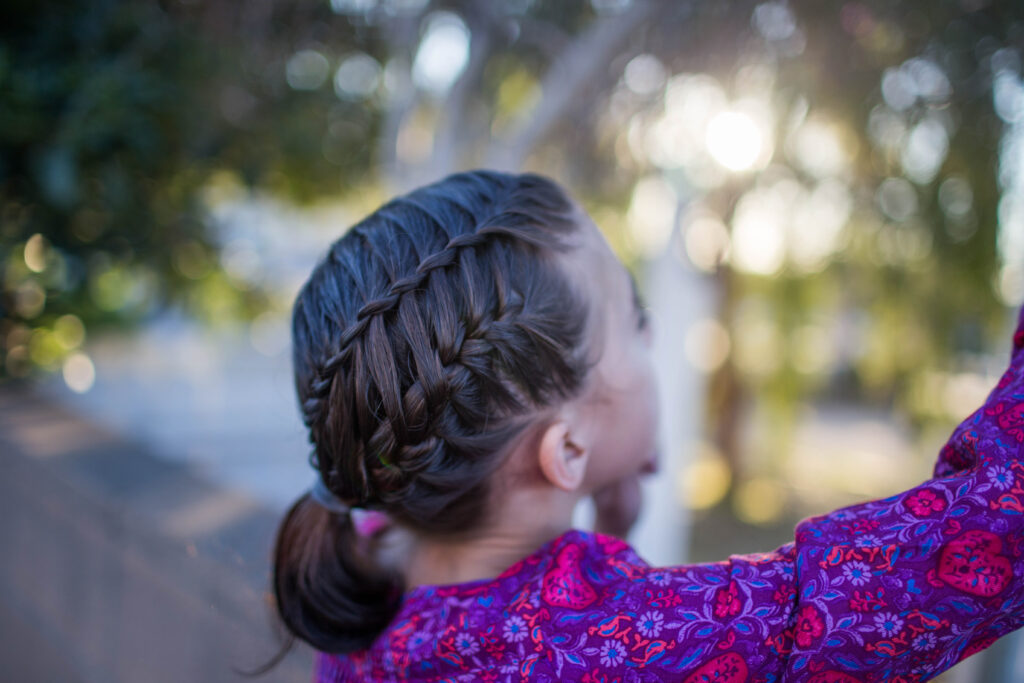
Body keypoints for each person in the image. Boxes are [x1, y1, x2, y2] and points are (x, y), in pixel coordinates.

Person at [269, 170, 1024, 682]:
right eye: (632, 318)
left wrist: (597, 501)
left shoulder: (364, 561)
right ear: (564, 446)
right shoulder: (636, 640)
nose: (654, 332)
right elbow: (982, 532)